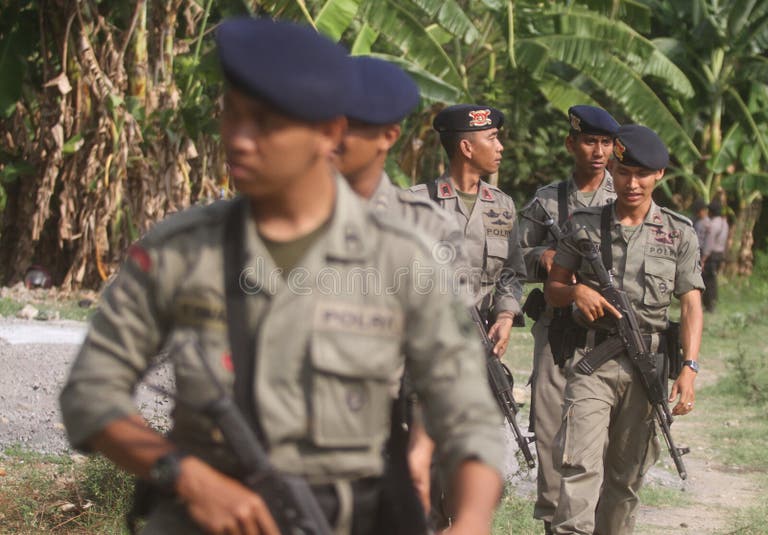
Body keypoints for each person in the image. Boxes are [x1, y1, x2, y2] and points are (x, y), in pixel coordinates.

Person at [59, 18, 505, 535]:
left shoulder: (404, 259)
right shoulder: (179, 251)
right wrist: (186, 476)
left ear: (330, 134)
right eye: (232, 116)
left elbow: (469, 415)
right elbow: (89, 394)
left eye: (266, 123)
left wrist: (471, 520)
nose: (240, 140)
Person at [546, 125, 704, 534]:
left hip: (646, 365)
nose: (632, 183)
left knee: (625, 479)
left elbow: (690, 304)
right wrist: (577, 291)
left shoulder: (677, 232)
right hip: (591, 363)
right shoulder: (583, 224)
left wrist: (689, 367)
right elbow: (554, 287)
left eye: (642, 174)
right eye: (623, 172)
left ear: (659, 175)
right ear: (612, 171)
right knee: (579, 465)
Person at [333, 55, 469, 516]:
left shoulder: (424, 230)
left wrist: (420, 451)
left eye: (350, 125)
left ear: (387, 136)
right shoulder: (268, 223)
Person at [517, 105, 619, 535]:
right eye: (590, 142)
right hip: (558, 333)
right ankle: (555, 525)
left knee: (605, 444)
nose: (598, 152)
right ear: (571, 143)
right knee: (549, 432)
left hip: (608, 339)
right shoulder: (547, 200)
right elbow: (512, 257)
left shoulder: (627, 196)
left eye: (606, 143)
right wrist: (544, 259)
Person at [410, 104, 526, 357]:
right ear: (466, 148)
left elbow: (512, 272)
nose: (500, 147)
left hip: (480, 342)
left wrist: (505, 316)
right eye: (492, 138)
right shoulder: (416, 204)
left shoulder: (502, 206)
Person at [701, 200, 729, 312]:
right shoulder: (724, 223)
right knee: (712, 279)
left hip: (711, 255)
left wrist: (703, 259)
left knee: (707, 280)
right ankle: (711, 303)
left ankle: (709, 304)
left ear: (711, 212)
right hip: (720, 254)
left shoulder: (712, 225)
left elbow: (709, 243)